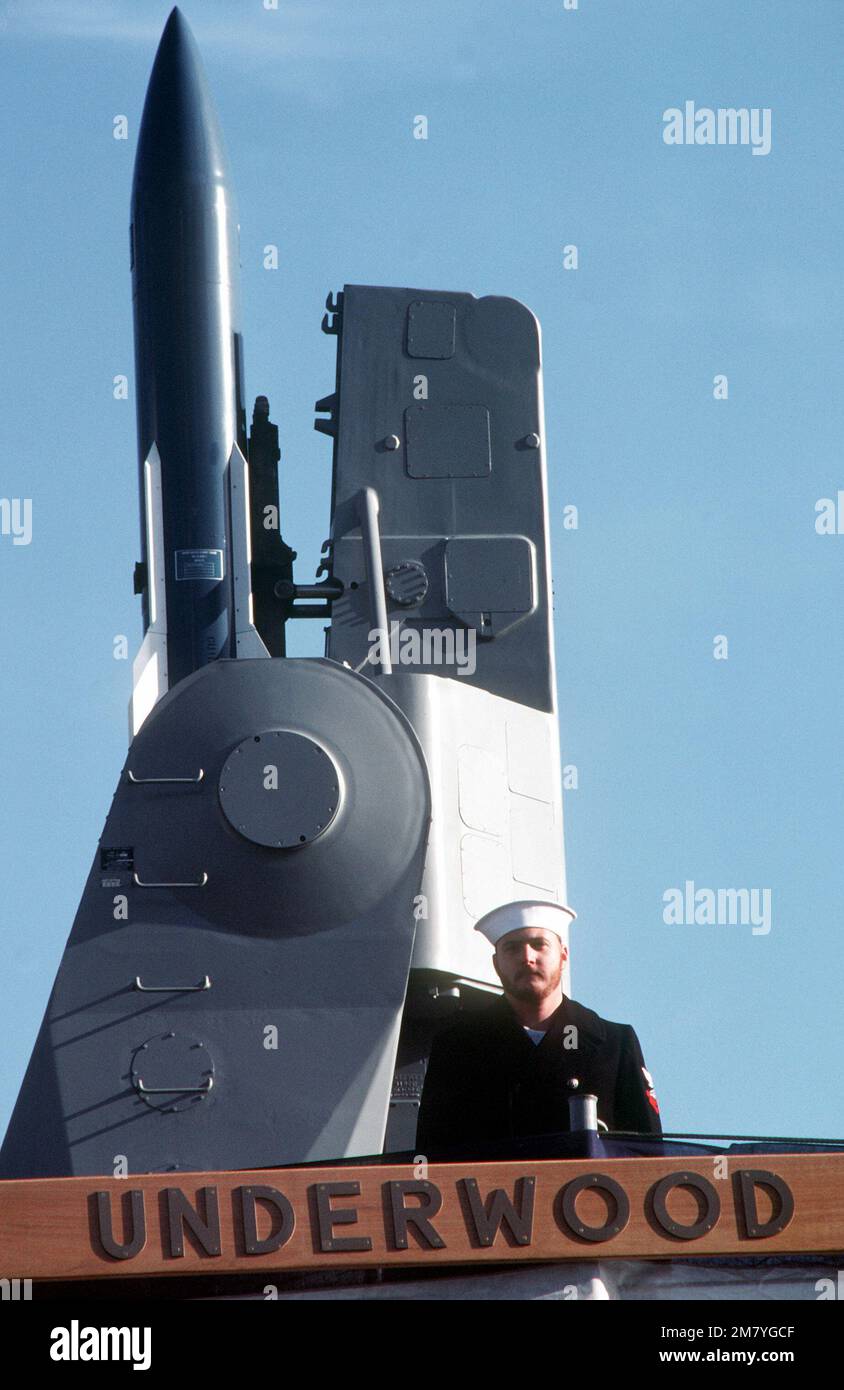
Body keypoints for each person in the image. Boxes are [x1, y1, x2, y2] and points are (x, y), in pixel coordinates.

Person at [415, 900, 661, 1156]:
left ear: (564, 955)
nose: (527, 957)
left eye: (539, 945)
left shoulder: (614, 1045)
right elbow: (433, 1157)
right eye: (512, 948)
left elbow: (649, 1156)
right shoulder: (459, 1050)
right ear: (497, 965)